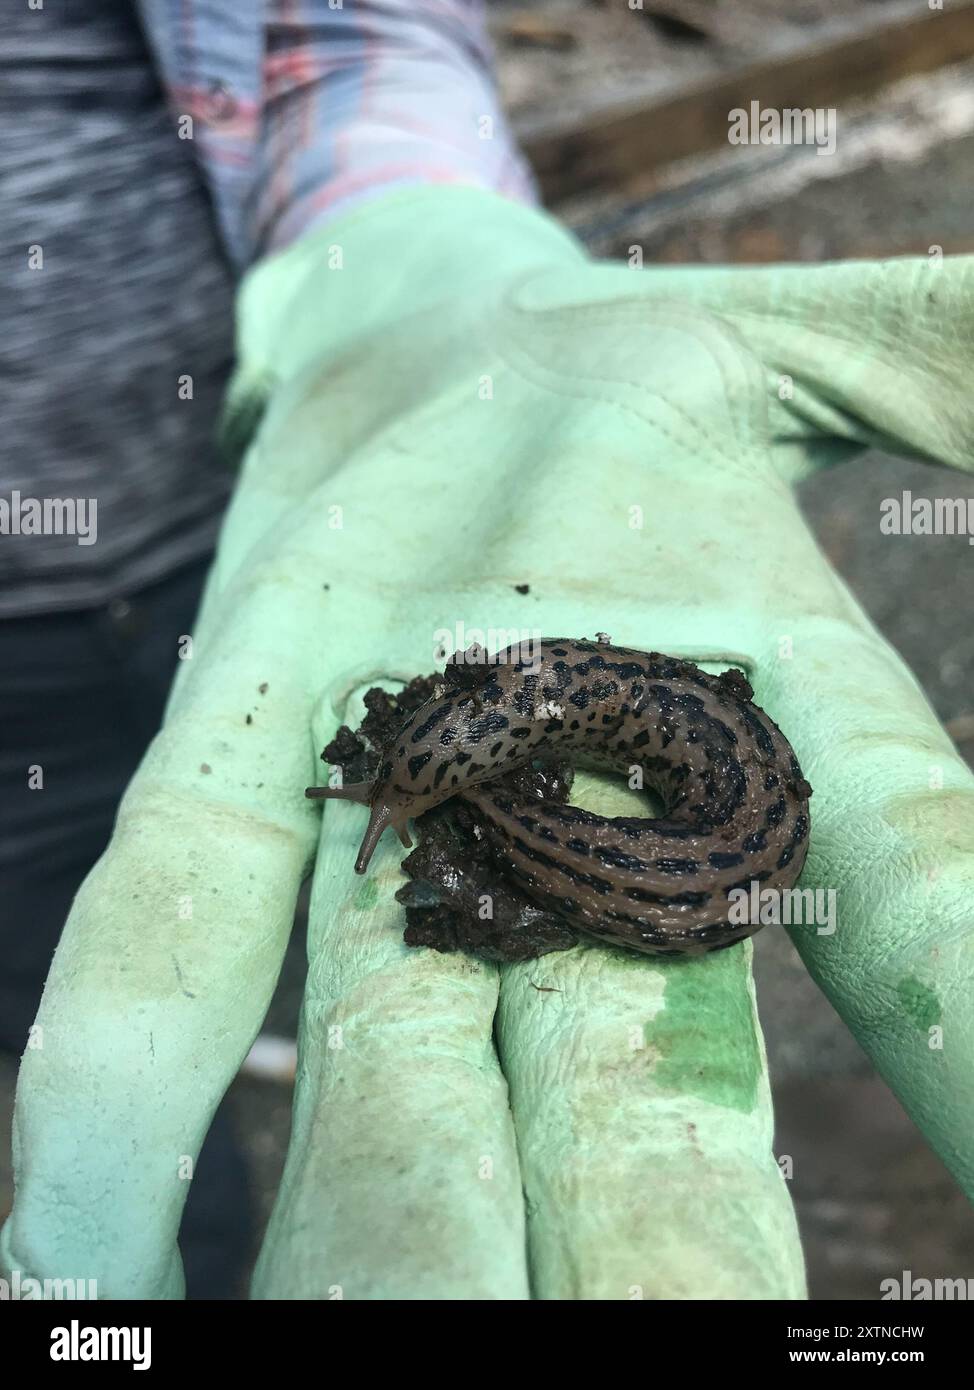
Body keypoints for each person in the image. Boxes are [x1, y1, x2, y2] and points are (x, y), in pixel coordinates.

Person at [3, 2, 973, 1299]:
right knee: (128, 994)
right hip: (175, 601)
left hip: (260, 503)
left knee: (221, 942)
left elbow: (342, 34)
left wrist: (410, 242)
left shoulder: (558, 732)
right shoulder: (551, 713)